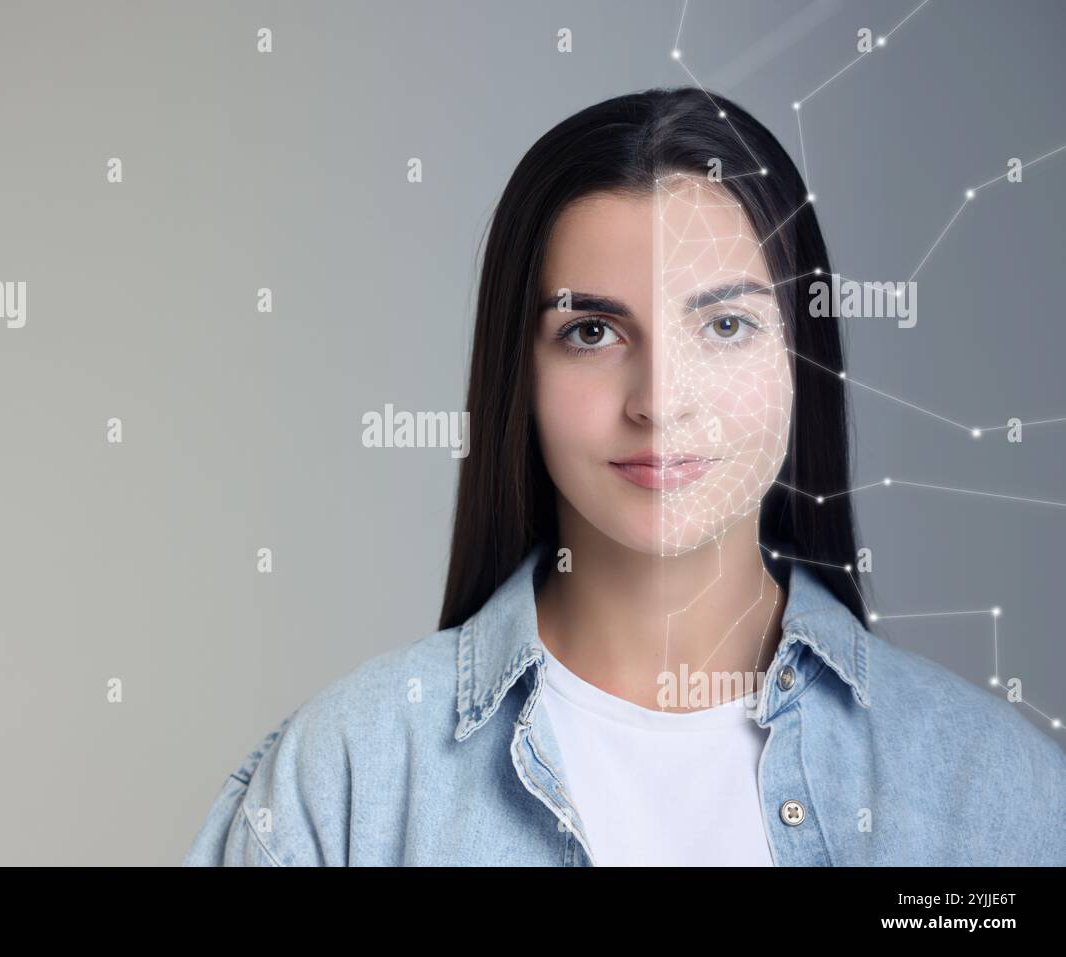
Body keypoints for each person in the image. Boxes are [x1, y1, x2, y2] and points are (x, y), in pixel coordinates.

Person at [182, 87, 1066, 866]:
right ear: (517, 375)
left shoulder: (997, 791)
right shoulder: (347, 779)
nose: (660, 401)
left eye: (724, 326)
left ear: (806, 362)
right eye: (593, 333)